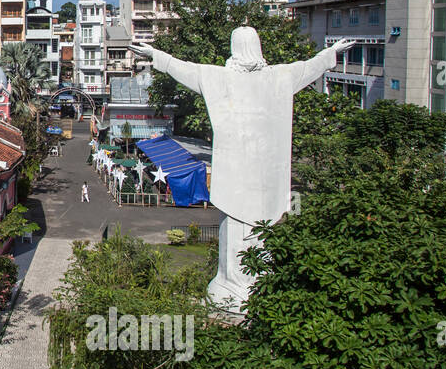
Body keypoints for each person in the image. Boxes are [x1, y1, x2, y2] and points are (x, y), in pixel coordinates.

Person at [131, 29, 353, 313]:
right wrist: (331, 53)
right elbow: (311, 67)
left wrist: (156, 56)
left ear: (235, 48)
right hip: (263, 180)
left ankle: (234, 285)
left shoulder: (222, 77)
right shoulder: (279, 77)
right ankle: (249, 283)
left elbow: (182, 68)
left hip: (237, 178)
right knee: (259, 233)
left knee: (237, 233)